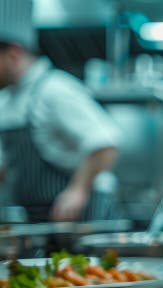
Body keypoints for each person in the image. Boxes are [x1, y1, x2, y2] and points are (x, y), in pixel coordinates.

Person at [0, 0, 122, 222]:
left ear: (14, 53)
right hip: (36, 220)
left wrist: (78, 190)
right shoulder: (6, 100)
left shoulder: (54, 89)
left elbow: (106, 143)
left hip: (81, 219)